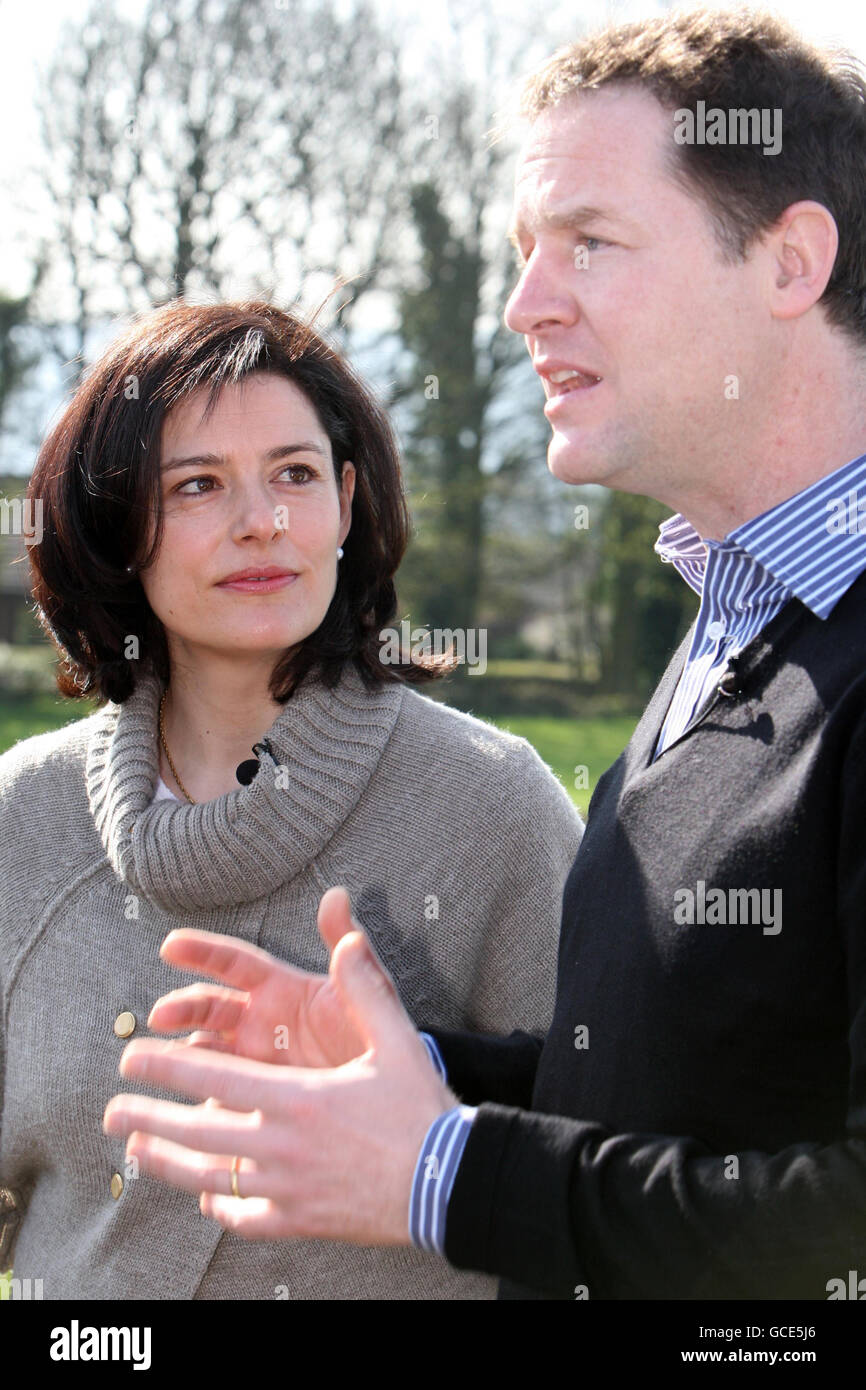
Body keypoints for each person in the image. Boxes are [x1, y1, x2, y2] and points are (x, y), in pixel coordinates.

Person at [102, 8, 866, 1300]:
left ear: (789, 261)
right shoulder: (732, 620)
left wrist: (447, 1172)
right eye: (525, 251)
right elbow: (686, 1089)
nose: (522, 304)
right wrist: (414, 1077)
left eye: (587, 243)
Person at [0, 299, 583, 1300]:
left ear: (349, 500)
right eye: (197, 485)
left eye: (295, 474)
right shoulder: (21, 817)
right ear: (114, 525)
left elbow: (606, 1192)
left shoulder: (493, 809)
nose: (261, 520)